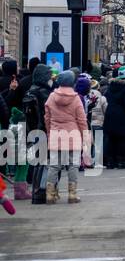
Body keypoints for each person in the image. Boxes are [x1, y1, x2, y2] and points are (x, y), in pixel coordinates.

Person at [44, 70, 89, 204]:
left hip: (56, 134)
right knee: (73, 165)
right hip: (73, 135)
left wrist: (49, 131)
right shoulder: (75, 98)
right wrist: (85, 136)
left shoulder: (51, 97)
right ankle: (72, 194)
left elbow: (47, 117)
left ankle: (50, 195)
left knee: (54, 166)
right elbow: (82, 120)